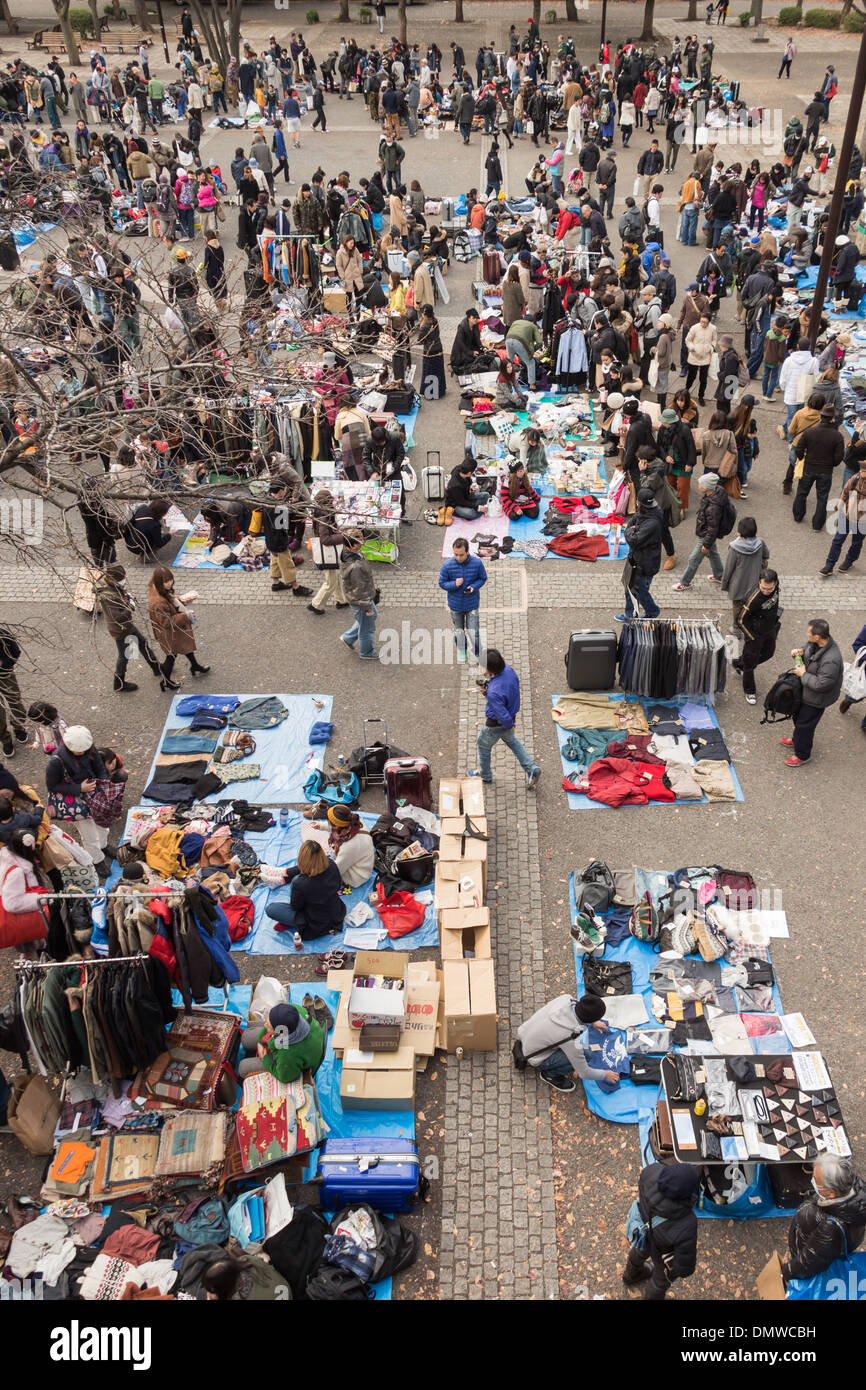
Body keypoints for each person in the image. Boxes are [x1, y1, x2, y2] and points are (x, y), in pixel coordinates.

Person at [782, 1156, 866, 1283]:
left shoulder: (829, 1228)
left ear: (831, 1192)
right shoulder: (854, 1188)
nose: (812, 1182)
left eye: (816, 1180)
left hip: (814, 1253)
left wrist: (786, 1272)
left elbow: (808, 1263)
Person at [622, 1162, 699, 1300]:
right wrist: (676, 1271)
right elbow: (684, 1268)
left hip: (645, 1230)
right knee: (660, 1281)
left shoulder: (650, 1172)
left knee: (639, 1250)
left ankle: (631, 1275)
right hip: (662, 1250)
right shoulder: (687, 1222)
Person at [515, 993, 618, 1093]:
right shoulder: (569, 1037)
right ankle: (550, 1075)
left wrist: (592, 1022)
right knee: (587, 1055)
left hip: (524, 1035)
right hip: (534, 1057)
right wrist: (605, 1075)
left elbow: (579, 1014)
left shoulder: (566, 999)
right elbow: (584, 1072)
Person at [468, 648, 540, 789]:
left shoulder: (493, 693)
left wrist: (509, 724)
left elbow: (500, 712)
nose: (479, 666)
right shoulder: (508, 670)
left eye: (481, 665)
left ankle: (485, 775)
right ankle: (532, 769)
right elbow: (508, 692)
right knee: (512, 741)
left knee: (483, 746)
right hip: (511, 716)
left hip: (496, 725)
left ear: (490, 667)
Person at [45, 726, 111, 872]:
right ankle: (97, 859)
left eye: (84, 750)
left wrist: (103, 784)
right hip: (76, 802)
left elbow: (100, 768)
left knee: (103, 826)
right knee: (89, 835)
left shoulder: (90, 749)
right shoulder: (55, 762)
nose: (82, 753)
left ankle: (104, 846)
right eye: (78, 751)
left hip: (95, 795)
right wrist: (79, 789)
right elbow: (53, 785)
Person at [781, 618, 843, 766]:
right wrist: (799, 654)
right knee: (798, 717)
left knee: (805, 726)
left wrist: (803, 674)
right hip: (806, 692)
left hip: (817, 699)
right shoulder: (816, 643)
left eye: (809, 633)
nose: (807, 635)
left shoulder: (831, 660)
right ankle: (797, 739)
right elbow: (807, 650)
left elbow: (822, 685)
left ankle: (802, 755)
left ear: (818, 636)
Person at [95, 564, 164, 694]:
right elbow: (117, 616)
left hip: (126, 626)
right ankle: (119, 683)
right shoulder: (108, 596)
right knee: (124, 656)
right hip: (121, 629)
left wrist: (127, 597)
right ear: (114, 579)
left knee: (142, 643)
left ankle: (156, 667)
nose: (124, 579)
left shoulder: (115, 588)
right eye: (122, 578)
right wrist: (130, 606)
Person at [264, 842, 346, 947]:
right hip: (334, 911)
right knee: (296, 879)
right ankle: (283, 876)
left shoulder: (301, 884)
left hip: (314, 922)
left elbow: (295, 906)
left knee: (271, 909)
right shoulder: (331, 864)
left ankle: (282, 877)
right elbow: (337, 884)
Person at [148, 566, 211, 688]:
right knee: (171, 656)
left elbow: (169, 600)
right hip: (170, 634)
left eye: (170, 580)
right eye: (166, 582)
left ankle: (195, 665)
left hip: (173, 632)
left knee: (185, 647)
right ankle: (166, 681)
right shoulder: (158, 602)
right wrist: (185, 616)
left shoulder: (158, 590)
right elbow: (166, 622)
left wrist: (179, 600)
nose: (170, 583)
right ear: (160, 582)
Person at [238, 1001, 325, 1080]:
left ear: (280, 1033)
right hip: (299, 1046)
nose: (264, 1025)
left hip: (290, 1069)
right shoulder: (293, 1011)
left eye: (268, 1025)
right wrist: (261, 1041)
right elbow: (272, 1024)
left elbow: (284, 1078)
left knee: (242, 1068)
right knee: (246, 1037)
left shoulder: (288, 1055)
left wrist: (265, 1059)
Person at [793, 401, 844, 531]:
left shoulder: (810, 432)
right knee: (822, 498)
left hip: (809, 467)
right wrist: (831, 463)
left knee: (802, 493)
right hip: (825, 471)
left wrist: (802, 458)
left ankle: (798, 516)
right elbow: (838, 458)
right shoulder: (837, 436)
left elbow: (799, 449)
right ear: (832, 419)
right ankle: (817, 525)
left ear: (821, 417)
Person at [673, 472, 729, 591]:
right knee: (713, 554)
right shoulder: (715, 494)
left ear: (707, 487)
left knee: (693, 559)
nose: (698, 485)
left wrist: (706, 544)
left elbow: (712, 528)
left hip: (705, 536)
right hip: (708, 535)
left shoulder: (713, 507)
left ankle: (685, 582)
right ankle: (719, 575)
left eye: (700, 484)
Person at [732, 569, 780, 704]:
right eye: (763, 588)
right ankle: (750, 690)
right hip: (754, 634)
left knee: (769, 653)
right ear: (759, 582)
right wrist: (752, 637)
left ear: (775, 583)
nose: (766, 591)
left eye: (769, 589)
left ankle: (738, 664)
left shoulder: (775, 587)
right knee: (750, 663)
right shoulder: (752, 599)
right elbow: (740, 620)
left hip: (770, 628)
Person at [439, 537, 487, 663]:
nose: (458, 558)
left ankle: (478, 653)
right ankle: (462, 651)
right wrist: (454, 584)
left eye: (461, 555)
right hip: (455, 605)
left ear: (467, 552)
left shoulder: (477, 563)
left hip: (471, 604)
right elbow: (442, 583)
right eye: (456, 554)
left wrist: (474, 587)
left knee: (474, 633)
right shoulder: (448, 565)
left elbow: (483, 578)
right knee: (459, 631)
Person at [619, 488, 664, 621]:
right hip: (636, 560)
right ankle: (630, 614)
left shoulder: (652, 523)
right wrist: (632, 529)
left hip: (645, 564)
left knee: (640, 592)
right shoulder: (646, 511)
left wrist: (629, 531)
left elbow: (634, 540)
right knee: (630, 588)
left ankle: (652, 612)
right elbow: (633, 521)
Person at [262, 479, 312, 599]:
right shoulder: (280, 507)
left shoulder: (265, 500)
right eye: (284, 490)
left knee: (274, 560)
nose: (285, 492)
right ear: (279, 491)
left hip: (269, 538)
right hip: (279, 540)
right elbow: (284, 526)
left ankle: (276, 583)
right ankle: (296, 587)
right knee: (287, 564)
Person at [0, 829, 47, 954]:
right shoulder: (17, 872)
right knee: (31, 947)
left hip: (19, 920)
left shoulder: (6, 858)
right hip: (23, 919)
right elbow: (12, 903)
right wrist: (41, 899)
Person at [721, 516, 769, 632]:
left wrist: (725, 583)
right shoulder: (760, 543)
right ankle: (750, 625)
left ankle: (736, 627)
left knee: (737, 605)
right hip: (755, 582)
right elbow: (766, 556)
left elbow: (729, 568)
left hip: (738, 584)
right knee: (752, 603)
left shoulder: (734, 547)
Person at [821, 456, 866, 575]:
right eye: (861, 470)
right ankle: (829, 565)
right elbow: (845, 492)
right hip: (847, 514)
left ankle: (849, 560)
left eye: (864, 471)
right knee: (837, 540)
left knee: (856, 543)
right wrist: (840, 506)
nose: (861, 473)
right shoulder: (855, 478)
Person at [339, 528, 379, 661]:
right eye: (359, 541)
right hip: (361, 601)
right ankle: (366, 652)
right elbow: (360, 591)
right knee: (367, 628)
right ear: (352, 545)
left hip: (359, 598)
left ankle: (348, 638)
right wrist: (368, 608)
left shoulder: (347, 553)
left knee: (367, 621)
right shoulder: (355, 567)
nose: (362, 542)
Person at [0, 626, 29, 760]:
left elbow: (15, 652)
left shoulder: (3, 634)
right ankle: (5, 740)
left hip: (5, 675)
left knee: (15, 702)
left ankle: (18, 727)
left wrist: (4, 666)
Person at [450, 307, 485, 375]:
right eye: (473, 318)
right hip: (460, 351)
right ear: (469, 318)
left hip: (469, 346)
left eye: (476, 318)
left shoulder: (475, 325)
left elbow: (477, 338)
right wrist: (471, 352)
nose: (475, 320)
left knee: (480, 354)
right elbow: (460, 343)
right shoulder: (462, 327)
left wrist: (482, 347)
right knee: (470, 358)